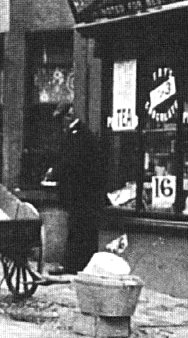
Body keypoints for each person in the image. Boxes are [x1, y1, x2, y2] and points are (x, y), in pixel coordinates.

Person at [43, 101, 107, 275]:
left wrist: (55, 172)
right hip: (80, 192)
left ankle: (75, 266)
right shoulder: (76, 133)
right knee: (79, 228)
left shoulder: (80, 135)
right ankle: (78, 265)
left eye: (62, 119)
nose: (61, 123)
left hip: (83, 192)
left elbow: (71, 161)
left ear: (69, 116)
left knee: (80, 229)